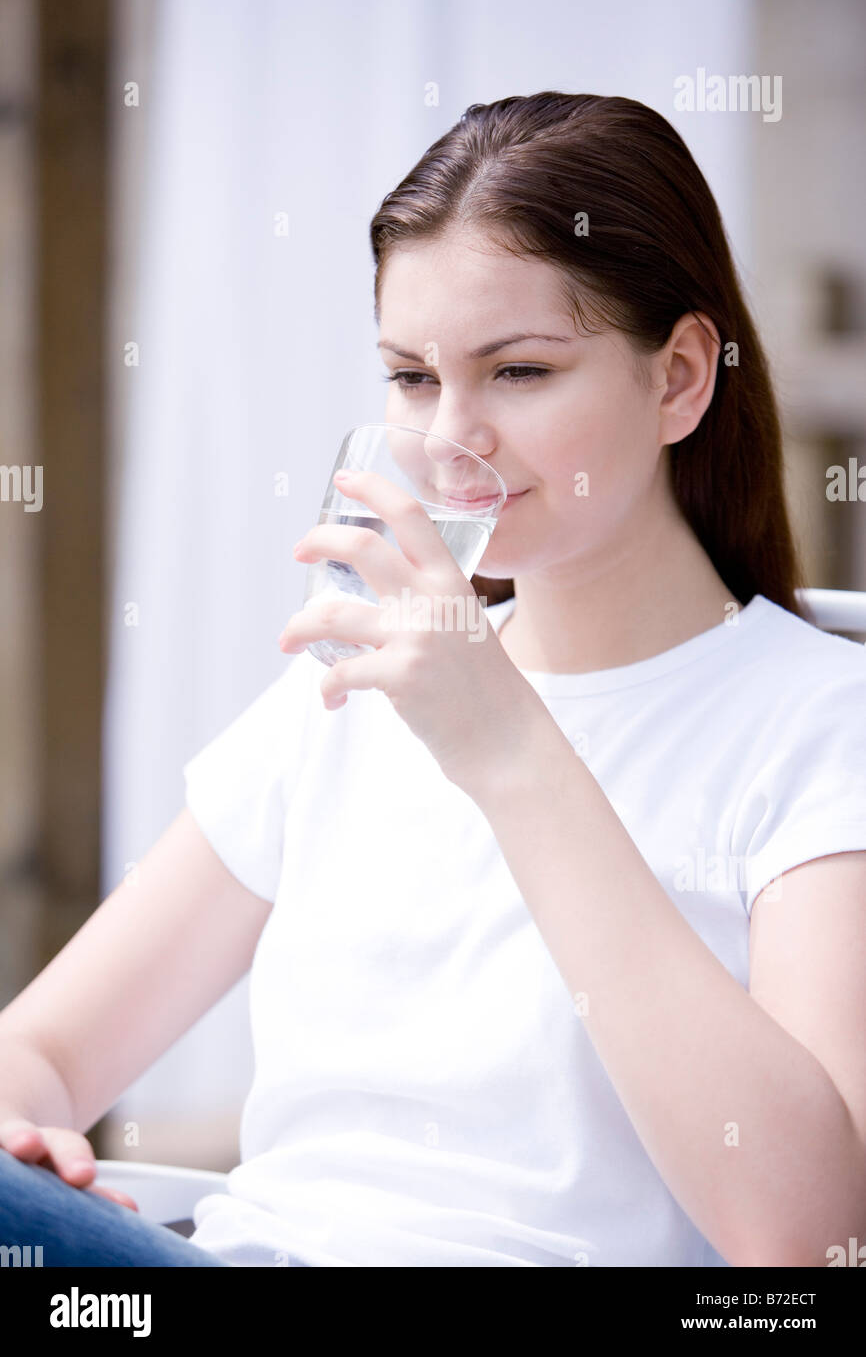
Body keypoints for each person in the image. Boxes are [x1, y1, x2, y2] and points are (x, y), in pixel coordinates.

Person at [2, 91, 865, 1268]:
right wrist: (30, 1137)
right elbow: (42, 1050)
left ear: (676, 379)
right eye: (411, 377)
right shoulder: (351, 685)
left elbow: (808, 1240)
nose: (452, 438)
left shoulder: (816, 724)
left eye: (518, 371)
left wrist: (506, 747)